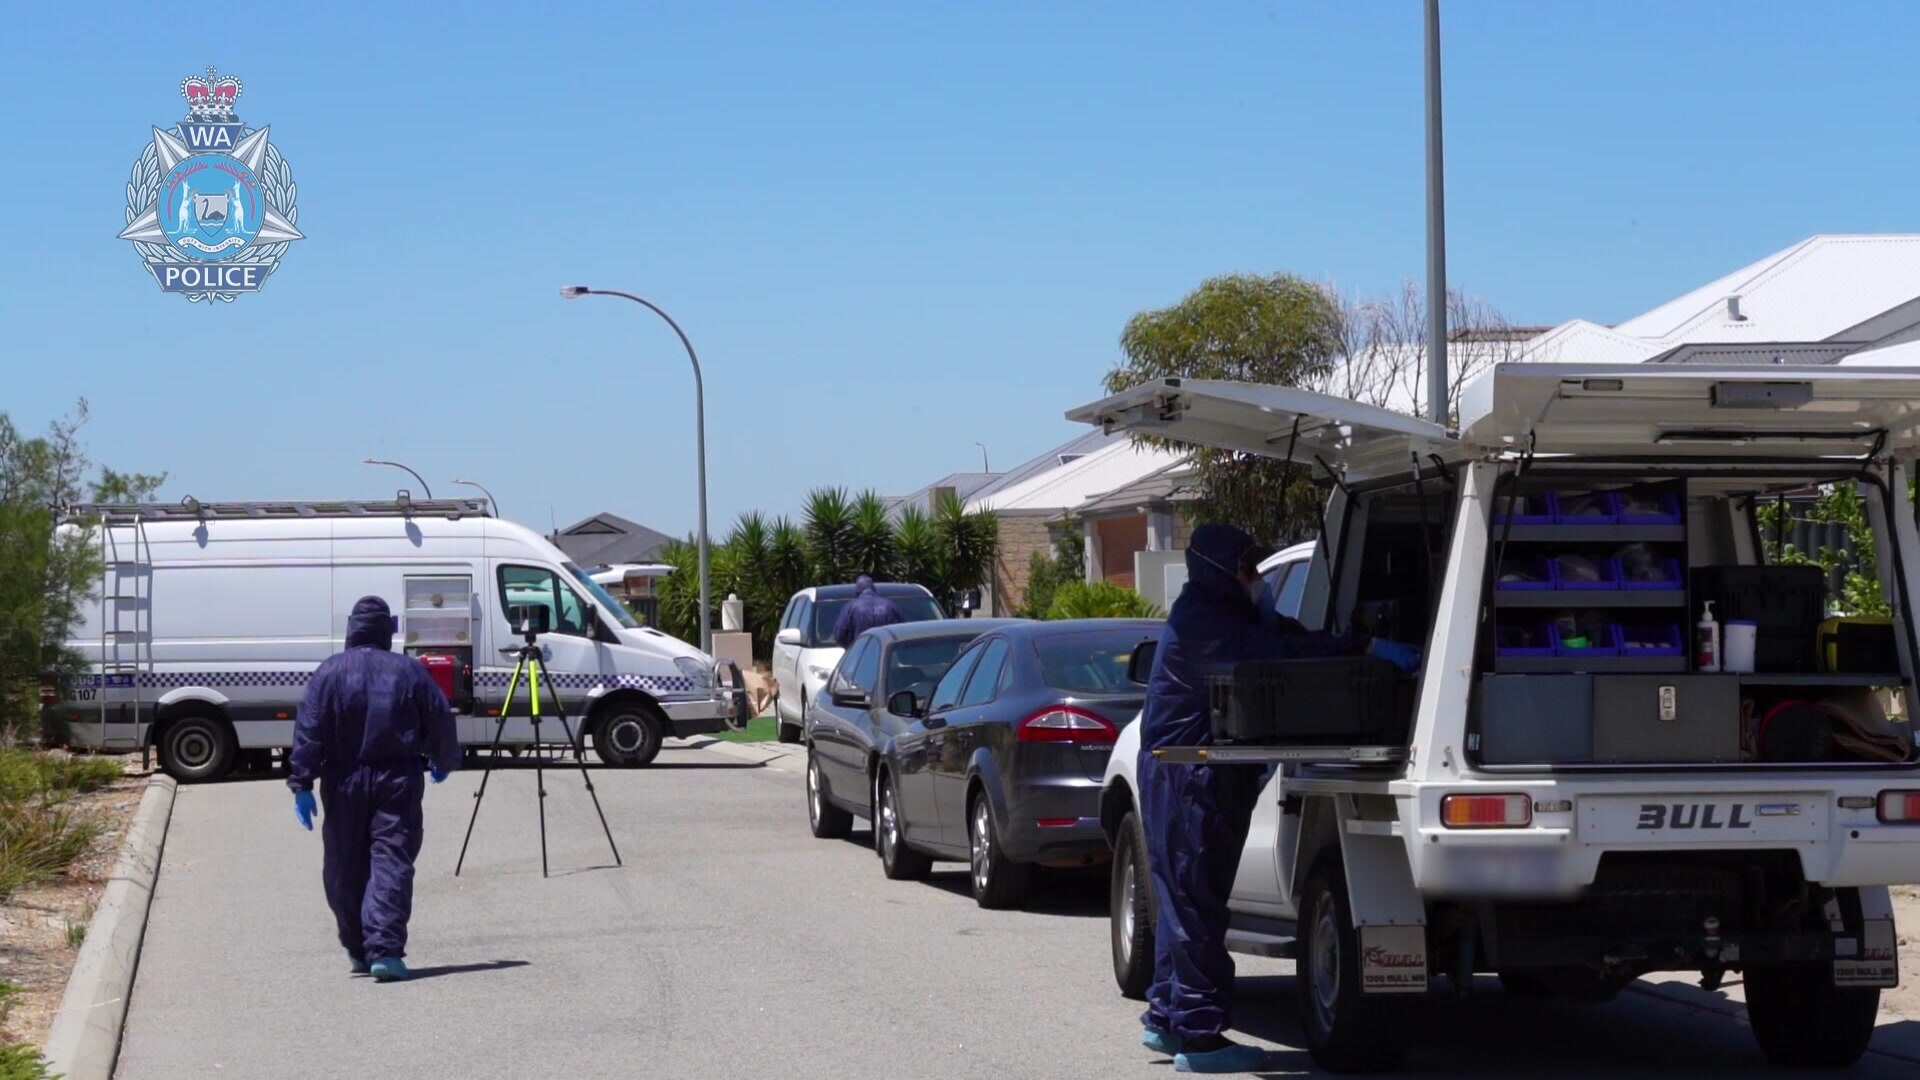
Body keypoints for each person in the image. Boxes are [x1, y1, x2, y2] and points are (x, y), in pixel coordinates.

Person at [1137, 524, 1419, 1073]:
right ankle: (1198, 1038)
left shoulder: (1222, 612)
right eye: (1248, 568)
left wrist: (1348, 642)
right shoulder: (1210, 622)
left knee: (1182, 898)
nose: (1256, 578)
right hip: (1188, 779)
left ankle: (1169, 1018)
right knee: (1195, 902)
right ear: (1223, 571)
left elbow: (1283, 633)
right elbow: (1281, 655)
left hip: (1184, 776)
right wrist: (1364, 648)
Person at [289, 596, 463, 983]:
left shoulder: (328, 673)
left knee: (343, 865)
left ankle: (357, 946)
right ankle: (383, 948)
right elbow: (438, 716)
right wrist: (443, 757)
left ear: (352, 628)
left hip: (343, 780)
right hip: (396, 779)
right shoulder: (409, 671)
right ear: (388, 630)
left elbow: (309, 729)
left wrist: (301, 782)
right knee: (390, 859)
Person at [832, 574, 905, 648]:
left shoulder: (850, 607)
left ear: (857, 590)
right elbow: (902, 631)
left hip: (861, 653)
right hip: (886, 654)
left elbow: (839, 635)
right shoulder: (890, 605)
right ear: (873, 588)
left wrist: (852, 648)